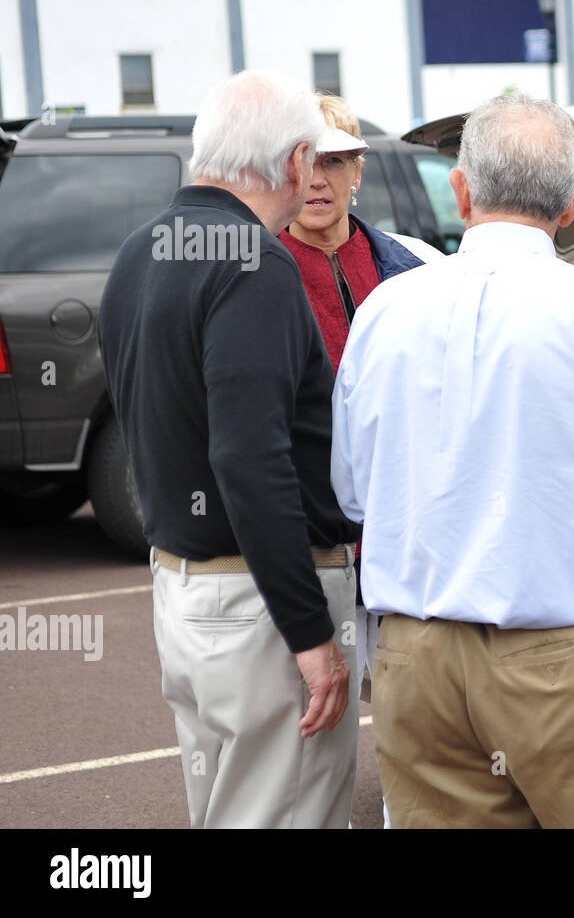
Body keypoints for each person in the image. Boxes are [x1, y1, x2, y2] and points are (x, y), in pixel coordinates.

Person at [331, 93, 574, 828]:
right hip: (562, 655)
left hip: (416, 655)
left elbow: (350, 487)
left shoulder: (382, 309)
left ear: (461, 190)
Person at [98, 70, 360, 828]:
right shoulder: (256, 263)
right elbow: (250, 459)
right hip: (260, 605)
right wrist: (311, 633)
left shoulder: (138, 253)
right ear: (293, 162)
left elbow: (150, 419)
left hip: (182, 591)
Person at [279, 94, 424, 687]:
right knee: (312, 719)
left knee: (409, 696)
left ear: (358, 172)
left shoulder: (413, 267)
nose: (319, 180)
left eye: (335, 163)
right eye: (307, 162)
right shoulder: (259, 272)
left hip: (401, 530)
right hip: (309, 538)